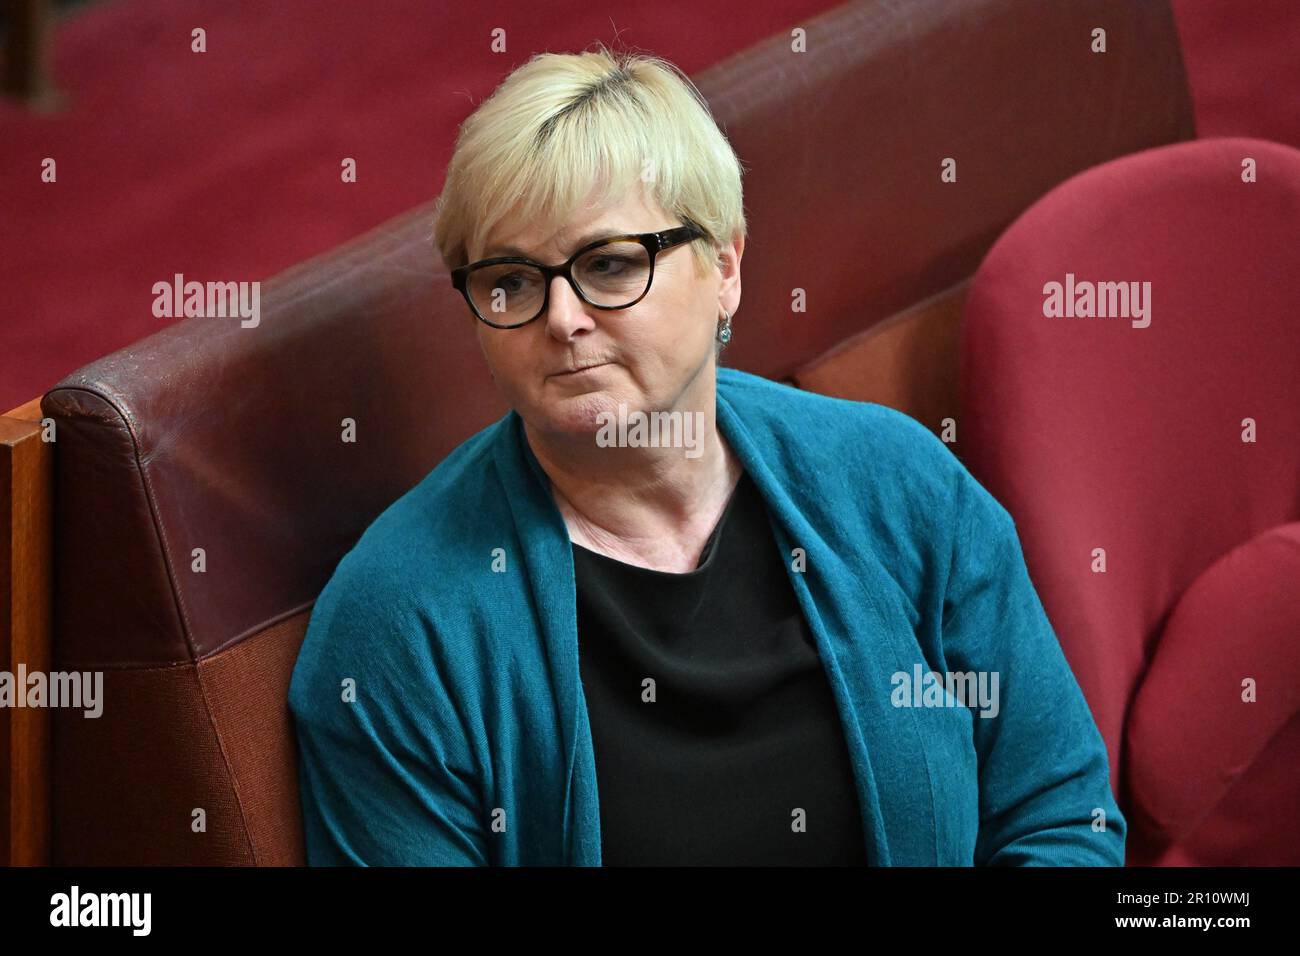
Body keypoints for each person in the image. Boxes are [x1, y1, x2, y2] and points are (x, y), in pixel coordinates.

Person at [287, 43, 1126, 866]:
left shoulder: (894, 483)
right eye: (510, 281)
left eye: (610, 266)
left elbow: (1059, 815)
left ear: (724, 266)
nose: (561, 319)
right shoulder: (398, 625)